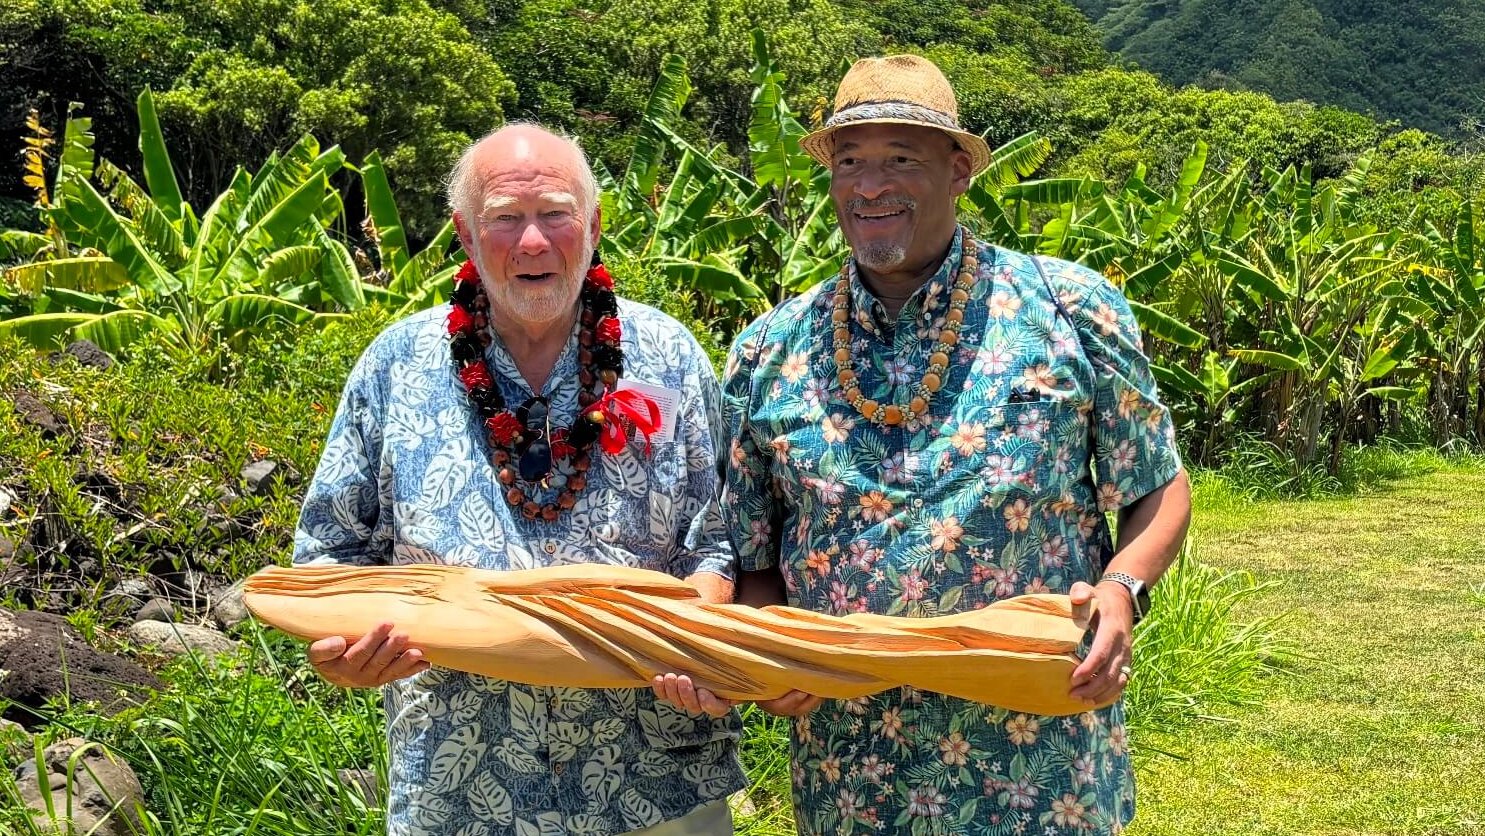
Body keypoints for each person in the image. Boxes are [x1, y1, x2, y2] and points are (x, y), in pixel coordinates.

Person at [654, 55, 1192, 835]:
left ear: (959, 169)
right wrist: (769, 658)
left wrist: (1122, 590)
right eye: (849, 163)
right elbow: (754, 555)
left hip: (1040, 754)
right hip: (850, 767)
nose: (869, 186)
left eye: (900, 159)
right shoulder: (767, 350)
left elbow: (1155, 483)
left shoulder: (1067, 308)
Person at [293, 123, 745, 835]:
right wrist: (344, 652)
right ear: (466, 235)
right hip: (461, 786)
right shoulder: (396, 367)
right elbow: (328, 558)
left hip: (654, 780)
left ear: (593, 225)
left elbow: (716, 541)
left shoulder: (671, 358)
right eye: (505, 219)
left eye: (556, 214)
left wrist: (693, 639)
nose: (532, 242)